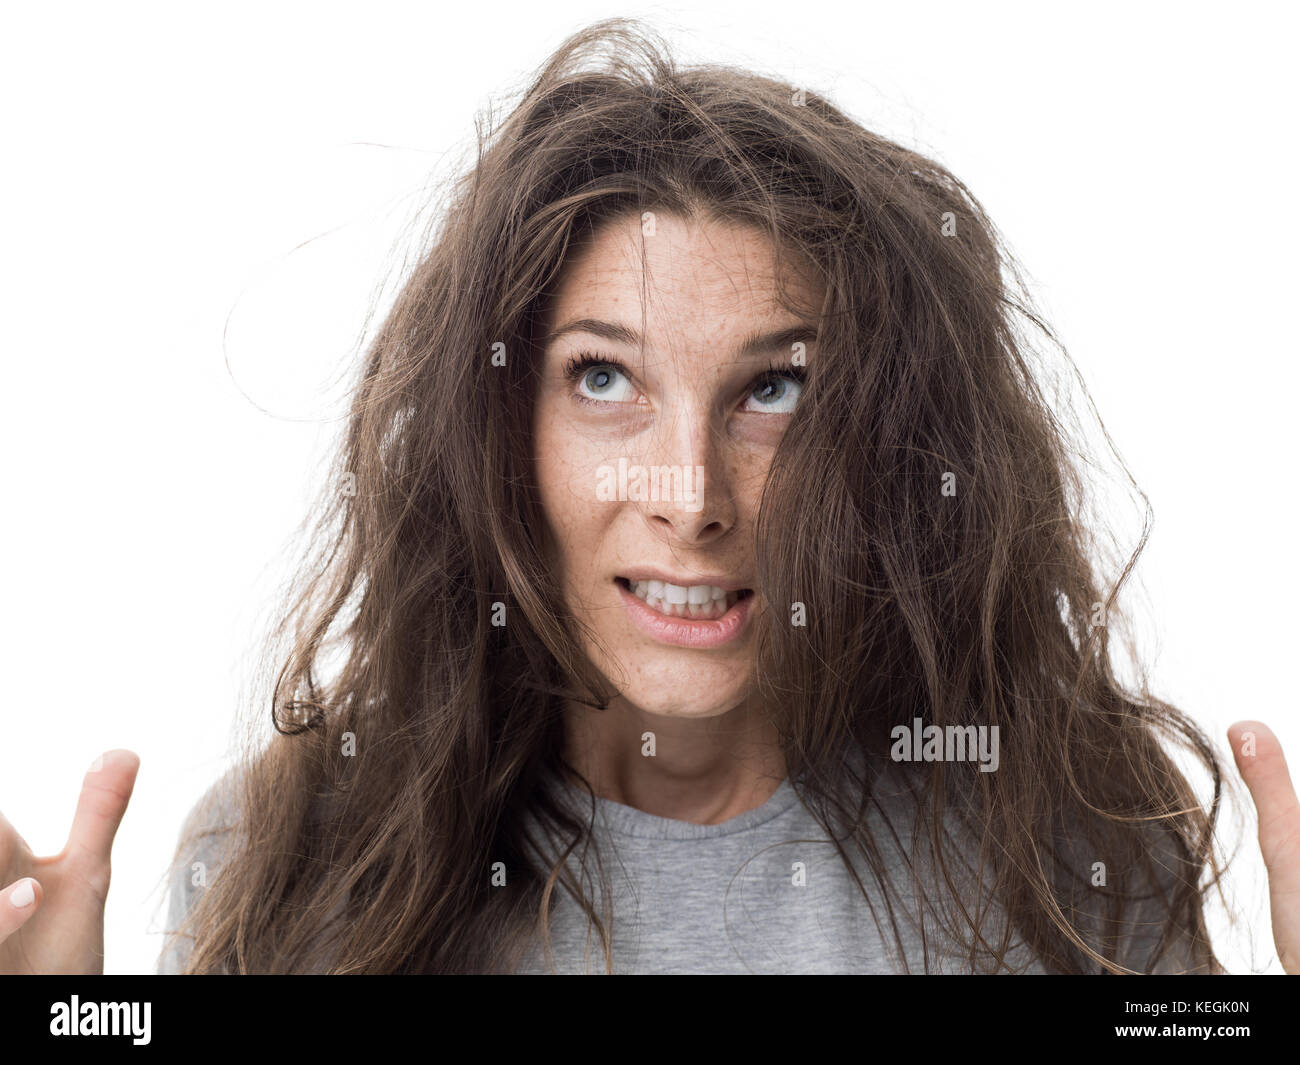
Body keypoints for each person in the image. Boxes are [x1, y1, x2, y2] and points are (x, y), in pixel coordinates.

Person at [2, 18, 1296, 976]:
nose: (690, 494)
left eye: (773, 391)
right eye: (605, 377)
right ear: (500, 428)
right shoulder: (294, 854)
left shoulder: (1061, 849)